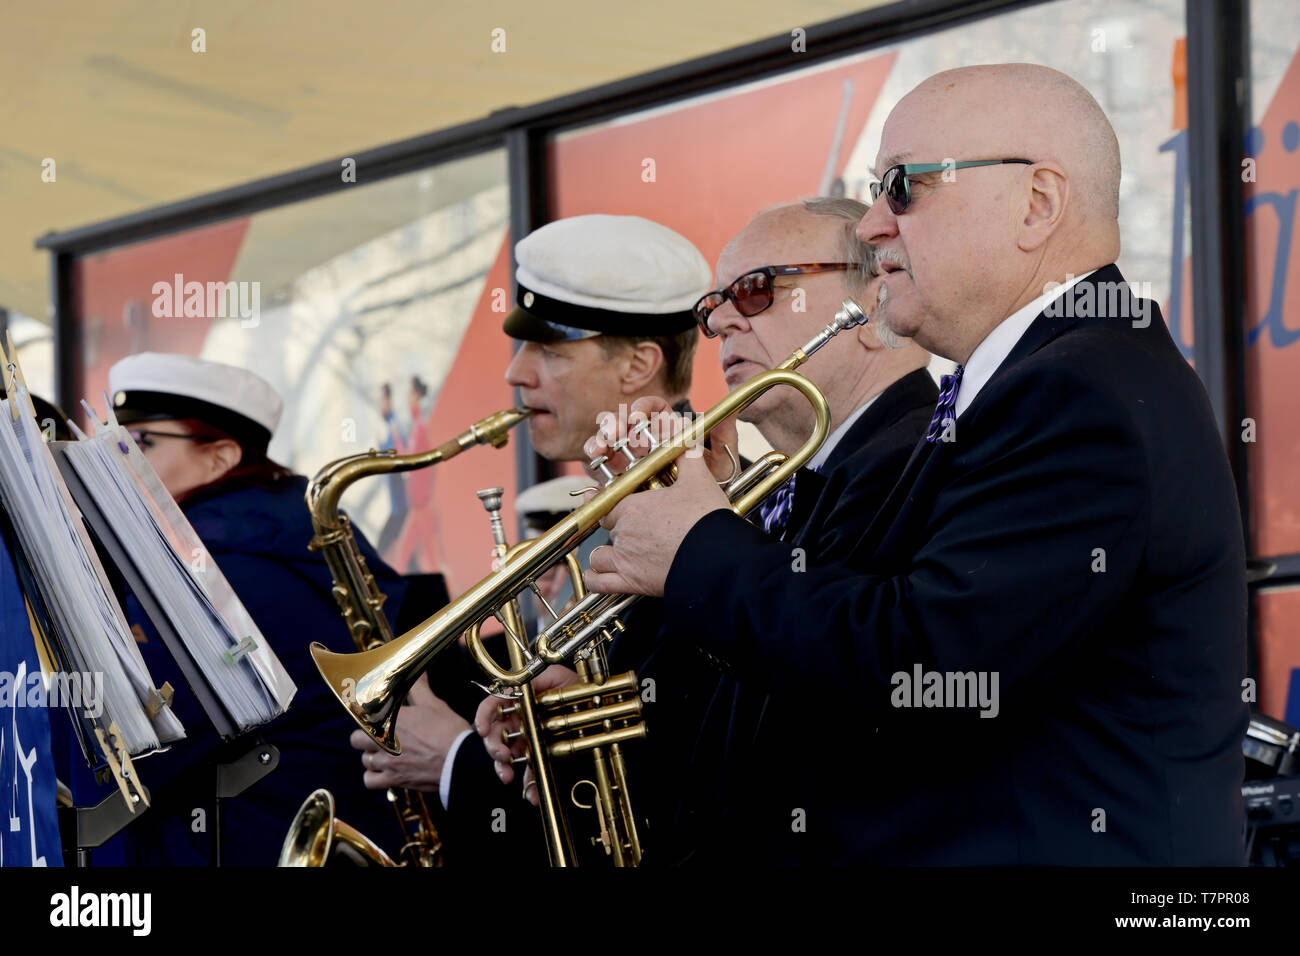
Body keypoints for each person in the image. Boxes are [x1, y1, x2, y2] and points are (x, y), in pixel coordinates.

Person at [582, 64, 1248, 865]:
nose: (870, 225)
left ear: (1036, 205)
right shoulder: (1042, 379)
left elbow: (931, 664)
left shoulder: (1078, 386)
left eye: (903, 187)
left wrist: (697, 548)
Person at [476, 198, 940, 865]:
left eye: (757, 290)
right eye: (713, 305)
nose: (720, 319)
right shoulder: (796, 485)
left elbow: (872, 684)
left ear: (873, 306)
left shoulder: (921, 462)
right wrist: (595, 717)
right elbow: (747, 709)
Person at [350, 214, 710, 861]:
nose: (516, 372)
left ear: (639, 365)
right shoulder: (602, 510)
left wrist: (457, 760)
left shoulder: (696, 511)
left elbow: (673, 779)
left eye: (548, 349)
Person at [65, 351, 409, 865]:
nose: (113, 461)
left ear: (221, 456)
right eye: (110, 444)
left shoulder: (224, 573)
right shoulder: (260, 544)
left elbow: (116, 746)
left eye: (140, 444)